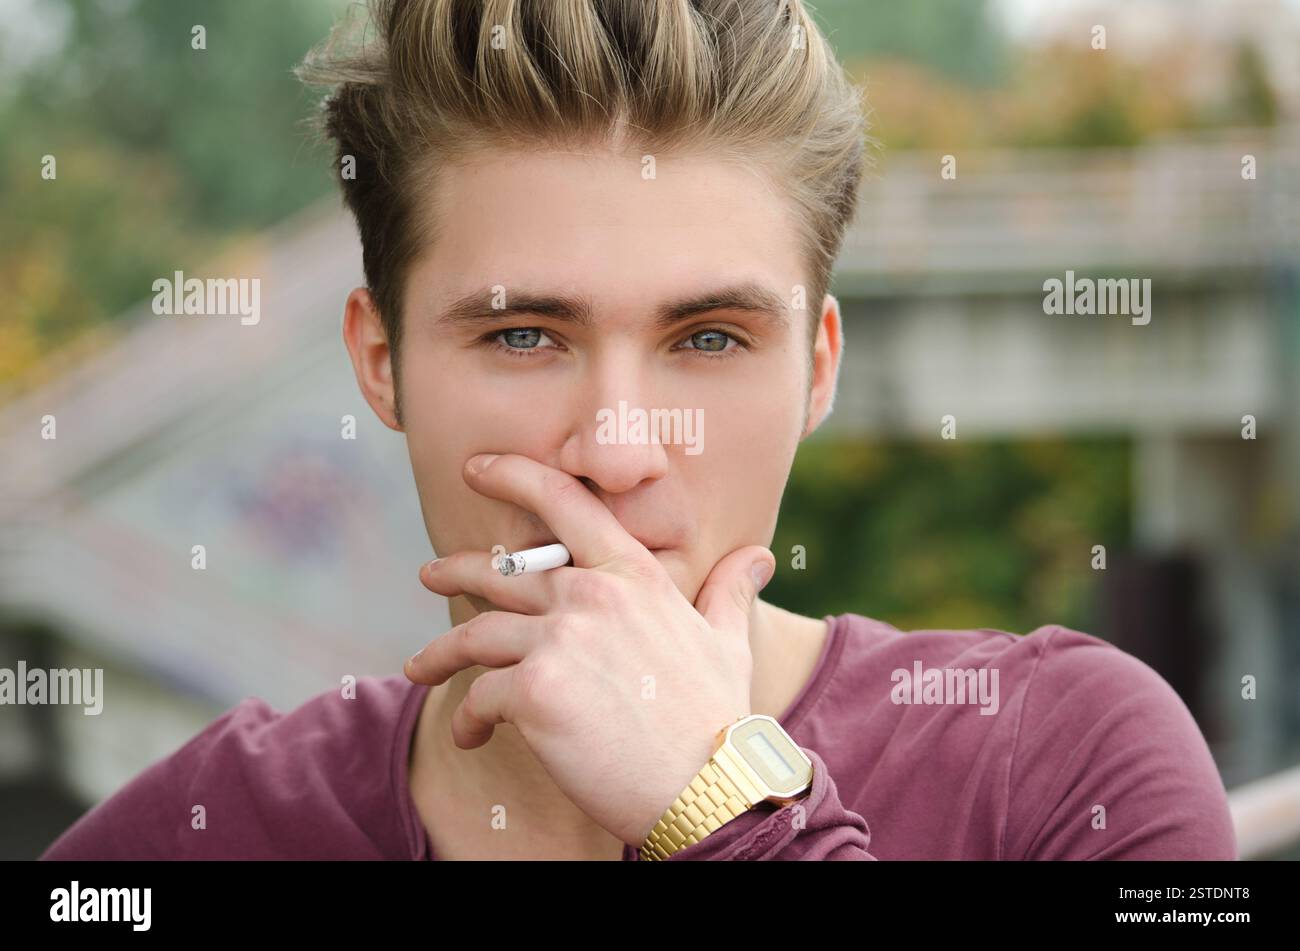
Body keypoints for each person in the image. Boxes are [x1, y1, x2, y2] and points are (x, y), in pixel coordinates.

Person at [40, 0, 1236, 861]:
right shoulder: (202, 832)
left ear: (816, 370)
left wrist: (718, 808)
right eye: (523, 337)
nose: (615, 449)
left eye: (709, 338)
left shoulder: (1068, 763)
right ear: (381, 361)